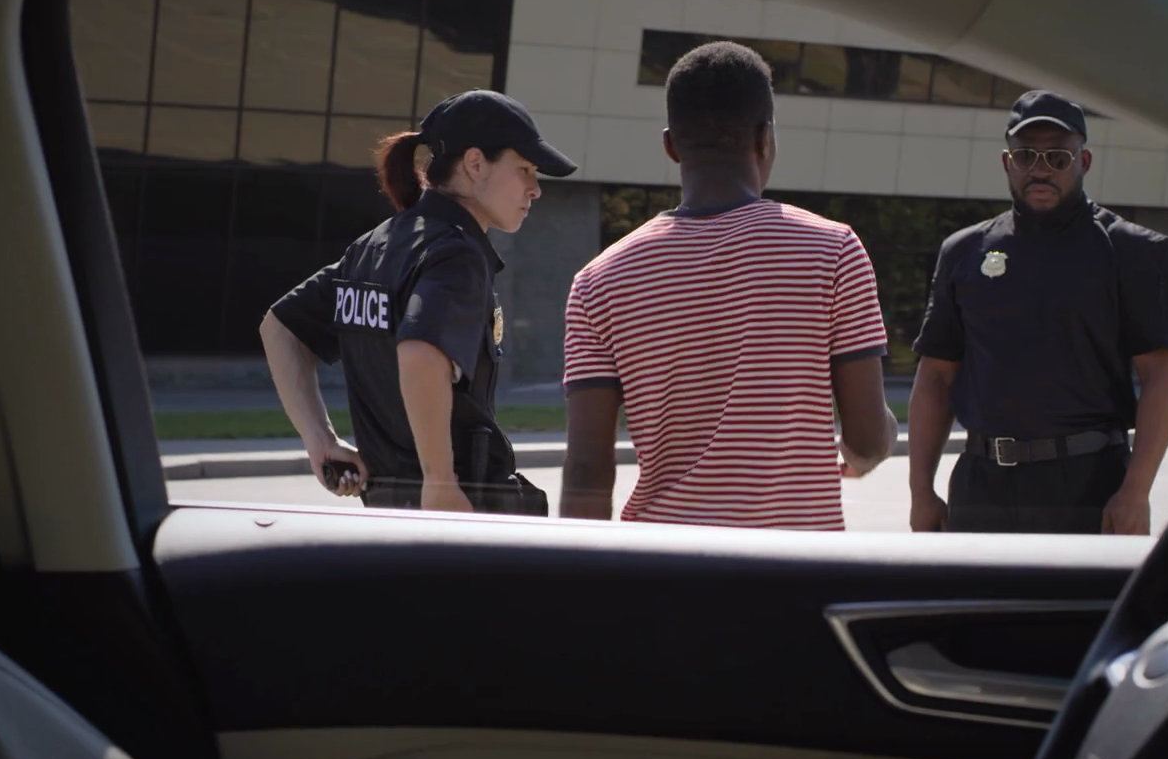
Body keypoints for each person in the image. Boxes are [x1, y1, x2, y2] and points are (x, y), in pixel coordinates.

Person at [559, 41, 897, 529]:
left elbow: (587, 470)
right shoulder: (833, 250)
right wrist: (871, 444)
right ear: (765, 138)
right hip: (792, 573)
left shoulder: (599, 280)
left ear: (670, 145)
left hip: (665, 573)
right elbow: (866, 439)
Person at [259, 90, 576, 514]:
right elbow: (421, 352)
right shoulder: (456, 253)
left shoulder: (374, 245)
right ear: (475, 163)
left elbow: (280, 328)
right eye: (524, 170)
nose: (535, 189)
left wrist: (321, 442)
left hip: (391, 508)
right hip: (453, 509)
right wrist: (441, 483)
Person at [908, 90, 1168, 535]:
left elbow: (1163, 373)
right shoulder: (963, 252)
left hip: (1089, 485)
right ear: (1006, 162)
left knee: (1080, 609)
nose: (1040, 168)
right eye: (1025, 155)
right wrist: (921, 492)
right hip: (982, 487)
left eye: (1058, 157)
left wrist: (1136, 490)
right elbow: (936, 375)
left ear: (1084, 161)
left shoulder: (1132, 251)